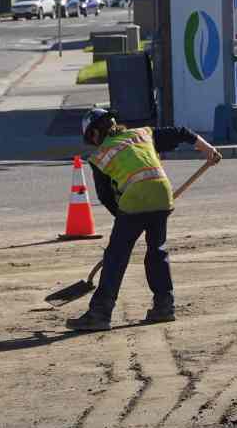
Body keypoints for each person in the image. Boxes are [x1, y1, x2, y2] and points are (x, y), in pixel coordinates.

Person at [69, 107, 219, 332]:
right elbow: (180, 132)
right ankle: (164, 306)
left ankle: (100, 313)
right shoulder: (142, 134)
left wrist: (123, 222)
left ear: (94, 134)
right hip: (162, 196)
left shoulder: (100, 156)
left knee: (116, 256)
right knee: (157, 251)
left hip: (135, 201)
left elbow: (106, 197)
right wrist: (207, 148)